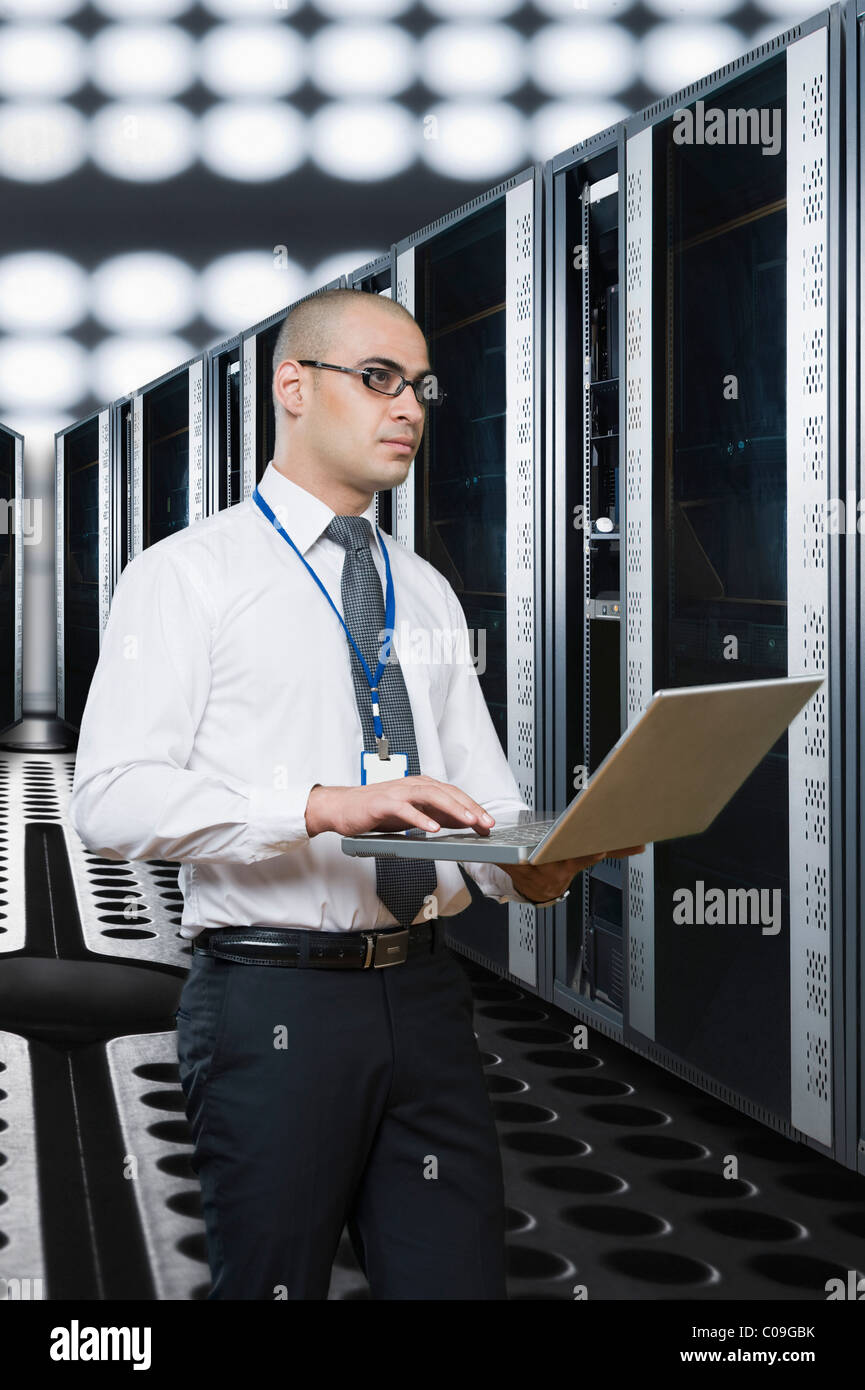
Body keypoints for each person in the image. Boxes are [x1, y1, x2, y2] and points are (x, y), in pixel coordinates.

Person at [69, 287, 643, 1301]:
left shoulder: (422, 588)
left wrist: (532, 867)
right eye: (378, 379)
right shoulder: (186, 576)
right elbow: (111, 798)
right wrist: (317, 804)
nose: (410, 408)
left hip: (425, 995)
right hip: (270, 999)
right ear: (293, 386)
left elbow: (478, 797)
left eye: (421, 387)